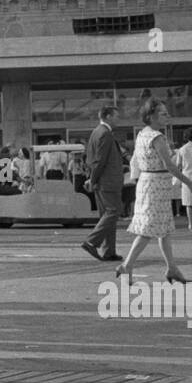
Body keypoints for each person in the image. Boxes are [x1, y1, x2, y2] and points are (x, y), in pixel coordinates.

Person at [117, 98, 192, 283]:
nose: (167, 116)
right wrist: (190, 184)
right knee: (149, 229)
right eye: (163, 113)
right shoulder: (157, 137)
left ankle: (172, 268)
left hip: (149, 183)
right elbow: (170, 165)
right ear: (151, 116)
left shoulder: (142, 134)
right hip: (156, 184)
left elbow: (138, 162)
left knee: (163, 230)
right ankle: (127, 265)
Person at [81, 103, 124, 263]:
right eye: (116, 116)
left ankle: (108, 251)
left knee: (107, 216)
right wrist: (92, 179)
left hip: (101, 181)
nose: (118, 119)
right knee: (114, 211)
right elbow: (100, 160)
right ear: (108, 116)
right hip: (108, 181)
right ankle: (92, 241)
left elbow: (91, 158)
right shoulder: (105, 133)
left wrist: (91, 178)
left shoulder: (96, 132)